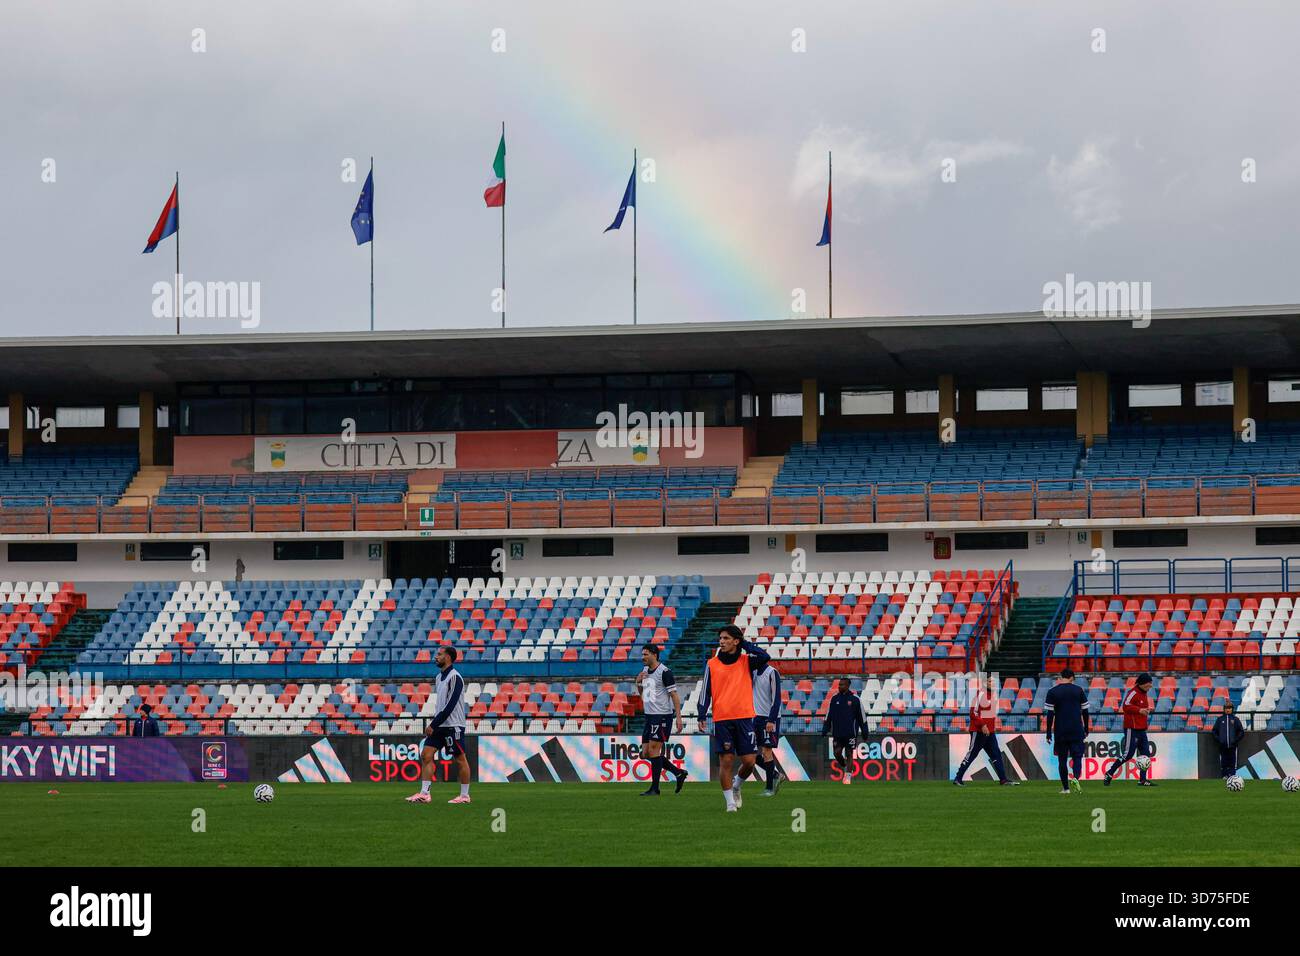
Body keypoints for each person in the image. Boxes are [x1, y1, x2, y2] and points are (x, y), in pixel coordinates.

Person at [696, 624, 769, 812]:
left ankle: (737, 785)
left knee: (750, 762)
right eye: (721, 638)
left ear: (736, 641)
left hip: (745, 717)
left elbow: (765, 657)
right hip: (722, 718)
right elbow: (705, 691)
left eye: (726, 638)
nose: (722, 641)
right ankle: (729, 803)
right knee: (726, 761)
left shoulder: (746, 660)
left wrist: (744, 644)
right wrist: (702, 713)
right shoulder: (712, 664)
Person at [406, 644, 472, 805]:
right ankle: (424, 794)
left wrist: (433, 724)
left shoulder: (455, 677)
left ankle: (464, 796)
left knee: (460, 759)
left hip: (453, 725)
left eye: (440, 654)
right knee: (426, 755)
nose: (436, 656)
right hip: (440, 725)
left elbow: (450, 705)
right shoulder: (438, 677)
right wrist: (436, 724)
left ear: (448, 657)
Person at [635, 644, 687, 795]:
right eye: (642, 654)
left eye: (645, 654)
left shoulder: (664, 672)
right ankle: (678, 772)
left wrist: (678, 717)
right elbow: (643, 694)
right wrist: (638, 682)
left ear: (654, 655)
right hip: (649, 715)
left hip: (662, 715)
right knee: (645, 753)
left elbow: (675, 695)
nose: (642, 657)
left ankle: (655, 788)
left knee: (653, 750)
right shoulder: (645, 671)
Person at [731, 653, 783, 798]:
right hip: (755, 717)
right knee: (751, 753)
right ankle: (775, 775)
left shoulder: (772, 673)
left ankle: (769, 788)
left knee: (767, 752)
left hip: (769, 717)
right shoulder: (753, 673)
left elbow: (776, 698)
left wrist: (772, 720)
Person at [953, 674, 1018, 786]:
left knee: (996, 754)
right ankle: (958, 778)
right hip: (978, 731)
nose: (992, 684)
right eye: (989, 682)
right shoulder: (981, 694)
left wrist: (989, 727)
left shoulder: (992, 695)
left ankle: (1003, 779)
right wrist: (983, 725)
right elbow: (973, 713)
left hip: (989, 732)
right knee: (972, 754)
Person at [1103, 673, 1155, 787]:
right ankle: (1109, 773)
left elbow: (1138, 708)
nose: (1150, 685)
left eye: (1150, 683)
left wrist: (1144, 711)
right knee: (1128, 755)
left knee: (1146, 755)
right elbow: (1126, 706)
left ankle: (1142, 780)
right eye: (1148, 683)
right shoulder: (1133, 693)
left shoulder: (1143, 693)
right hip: (1132, 729)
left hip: (1141, 729)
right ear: (1141, 683)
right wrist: (1139, 710)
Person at [1044, 668, 1089, 794]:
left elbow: (1050, 714)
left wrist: (1048, 733)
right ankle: (1075, 778)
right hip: (1076, 729)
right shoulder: (1078, 690)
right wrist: (1086, 728)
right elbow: (1085, 711)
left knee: (1062, 760)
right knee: (1077, 757)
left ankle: (1065, 788)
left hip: (1060, 730)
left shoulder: (1052, 692)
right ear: (1072, 678)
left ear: (1061, 677)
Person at [821, 677, 867, 785]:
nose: (839, 686)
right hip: (837, 733)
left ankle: (848, 776)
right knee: (836, 753)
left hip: (851, 733)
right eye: (839, 684)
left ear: (847, 686)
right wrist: (825, 729)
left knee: (849, 753)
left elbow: (862, 717)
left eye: (842, 685)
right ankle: (845, 765)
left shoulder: (855, 699)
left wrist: (865, 732)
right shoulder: (834, 699)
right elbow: (828, 715)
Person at [1211, 700, 1246, 779]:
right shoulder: (1220, 720)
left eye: (1229, 708)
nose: (1228, 709)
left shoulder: (1235, 719)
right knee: (1223, 762)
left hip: (1233, 746)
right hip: (1222, 746)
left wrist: (1235, 740)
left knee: (1232, 762)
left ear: (1232, 709)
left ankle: (1232, 777)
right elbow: (1214, 731)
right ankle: (1224, 776)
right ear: (1224, 709)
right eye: (1226, 708)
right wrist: (1219, 740)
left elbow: (1241, 731)